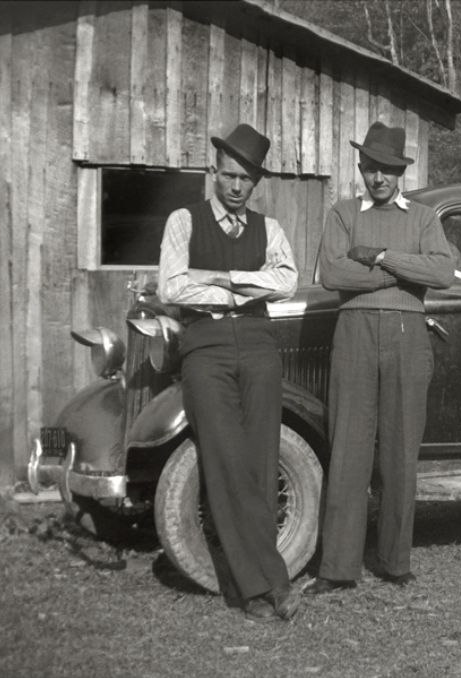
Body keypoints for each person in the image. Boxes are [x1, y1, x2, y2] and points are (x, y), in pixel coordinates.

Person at [157, 123, 301, 622]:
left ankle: (262, 585)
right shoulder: (184, 221)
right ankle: (265, 587)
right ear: (212, 172)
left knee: (261, 463)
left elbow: (286, 282)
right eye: (228, 176)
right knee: (225, 462)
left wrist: (221, 278)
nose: (236, 187)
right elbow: (174, 288)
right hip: (206, 349)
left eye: (246, 179)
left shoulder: (271, 229)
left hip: (260, 348)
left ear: (256, 181)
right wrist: (241, 291)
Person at [306, 121, 455, 594]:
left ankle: (395, 560)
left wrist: (382, 256)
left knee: (399, 449)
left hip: (408, 336)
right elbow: (333, 273)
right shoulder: (344, 213)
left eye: (388, 170)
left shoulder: (424, 217)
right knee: (348, 448)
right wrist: (403, 274)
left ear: (401, 172)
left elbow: (444, 270)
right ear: (360, 168)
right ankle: (338, 567)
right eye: (371, 168)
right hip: (353, 334)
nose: (379, 179)